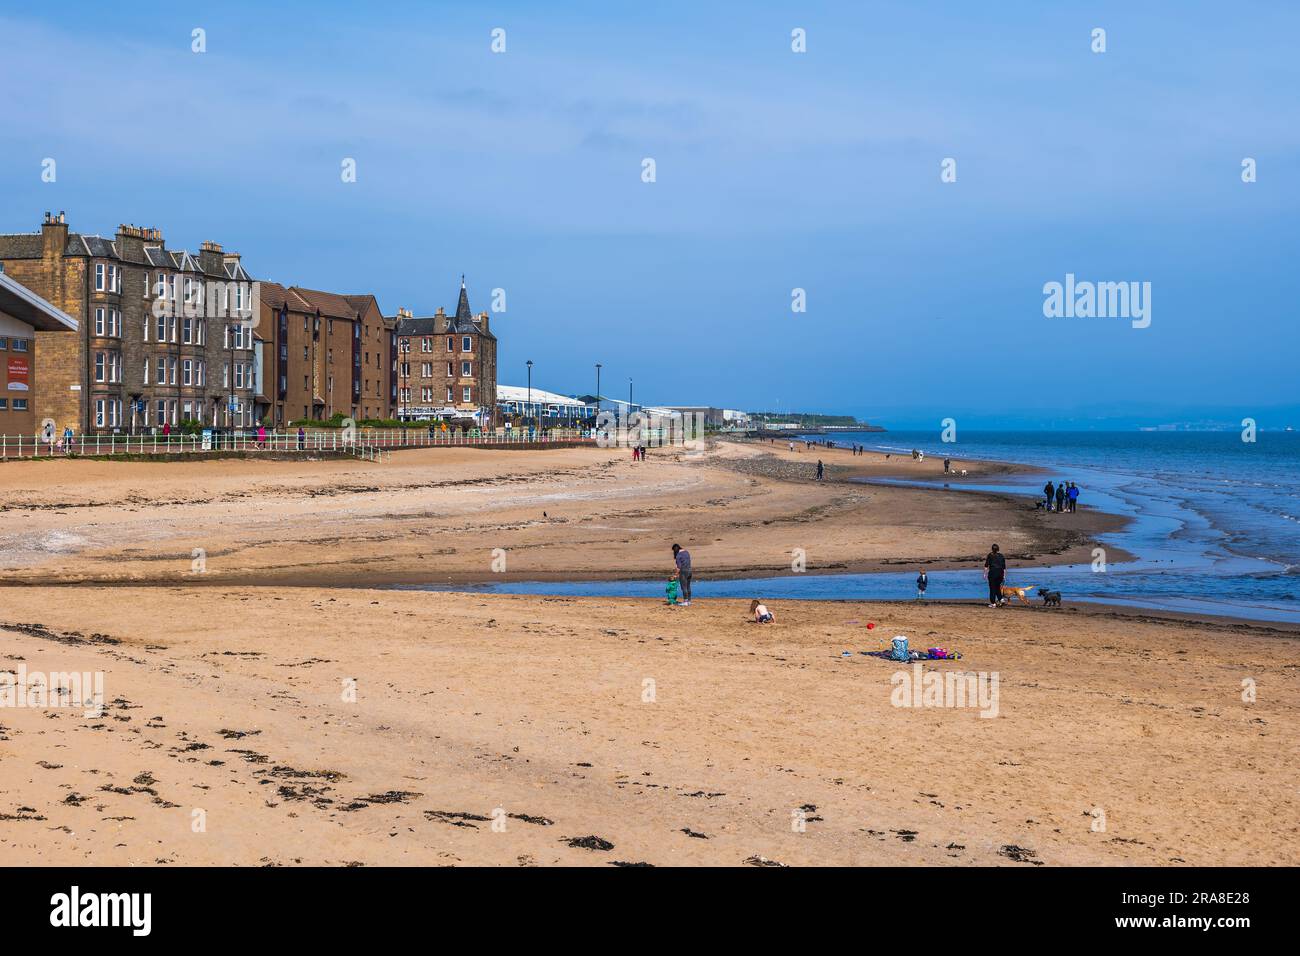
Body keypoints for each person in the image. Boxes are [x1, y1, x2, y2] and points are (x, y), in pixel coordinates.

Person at [983, 543, 1006, 607]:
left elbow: (986, 565)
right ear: (998, 549)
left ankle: (993, 603)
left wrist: (984, 574)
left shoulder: (990, 555)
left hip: (993, 573)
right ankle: (1001, 599)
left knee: (992, 588)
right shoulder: (1001, 555)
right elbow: (1004, 567)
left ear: (992, 549)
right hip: (1000, 573)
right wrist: (1004, 576)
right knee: (997, 587)